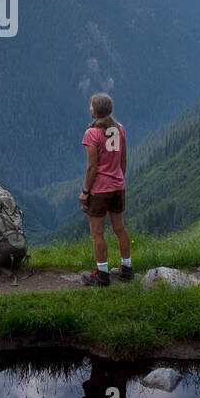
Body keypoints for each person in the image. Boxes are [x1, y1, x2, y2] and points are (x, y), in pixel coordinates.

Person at [79, 92, 133, 286]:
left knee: (97, 233)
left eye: (90, 106)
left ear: (94, 111)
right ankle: (127, 268)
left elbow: (92, 166)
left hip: (100, 189)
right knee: (120, 228)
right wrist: (119, 179)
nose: (89, 109)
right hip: (118, 185)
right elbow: (123, 159)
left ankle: (102, 274)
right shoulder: (120, 129)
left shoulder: (91, 133)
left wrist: (85, 191)